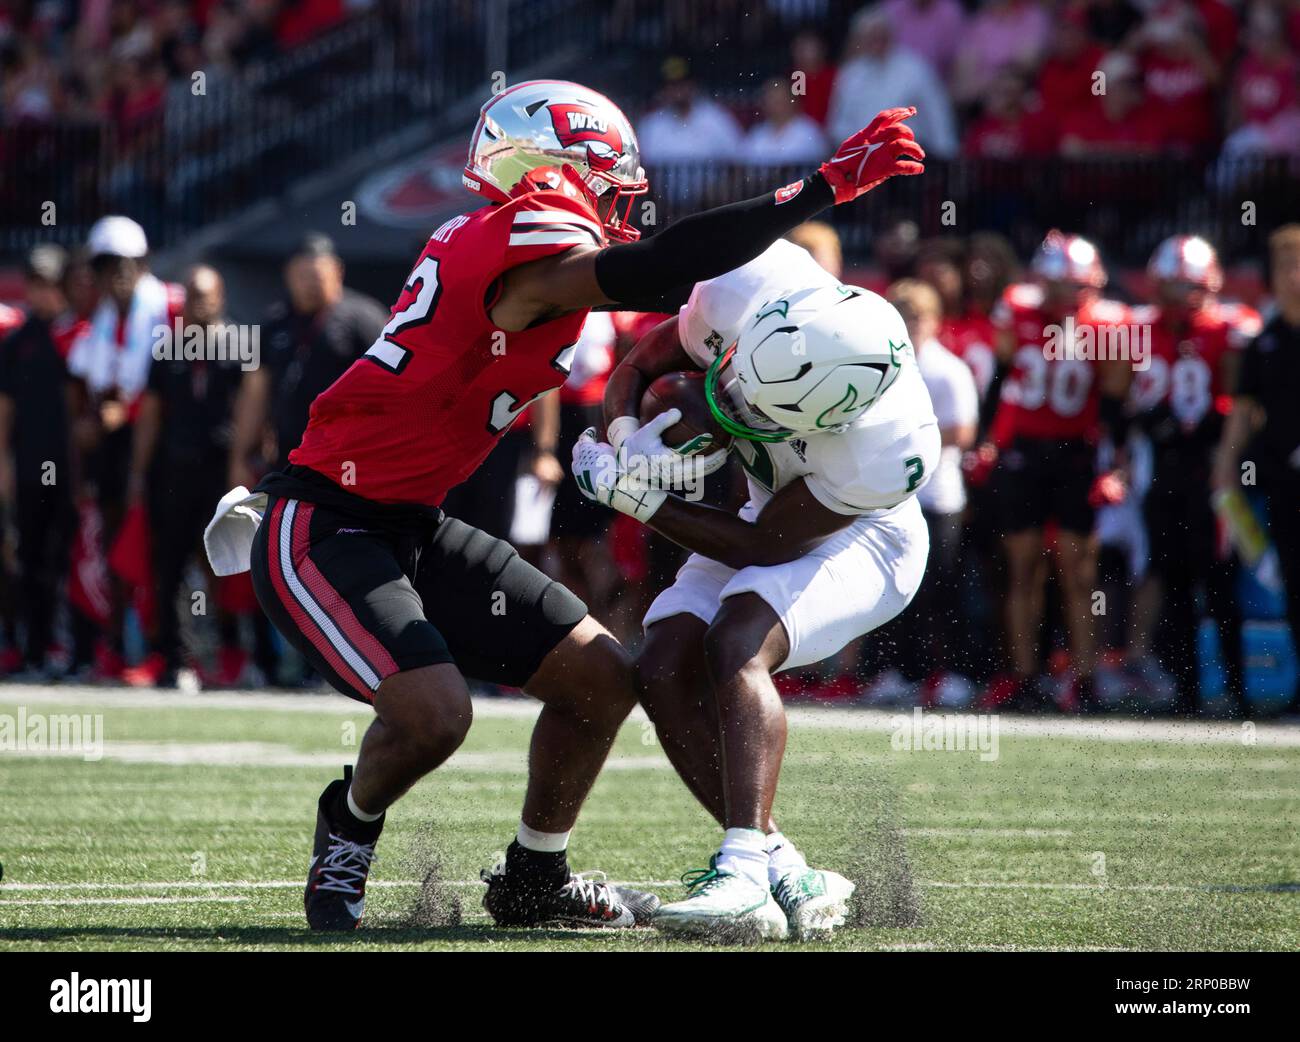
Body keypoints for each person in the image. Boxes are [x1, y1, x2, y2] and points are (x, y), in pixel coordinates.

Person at [202, 82, 926, 931]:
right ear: (547, 169)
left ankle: (534, 875)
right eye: (601, 170)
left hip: (410, 520)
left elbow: (659, 284)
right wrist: (817, 190)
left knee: (602, 677)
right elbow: (661, 268)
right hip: (324, 521)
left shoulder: (506, 244)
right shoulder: (526, 235)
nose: (616, 191)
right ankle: (351, 822)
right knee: (436, 714)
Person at [575, 237, 938, 940]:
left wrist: (634, 497)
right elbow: (642, 361)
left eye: (765, 413)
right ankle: (781, 867)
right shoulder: (742, 282)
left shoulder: (891, 445)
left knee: (737, 639)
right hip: (761, 509)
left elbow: (764, 545)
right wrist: (624, 434)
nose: (733, 404)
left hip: (863, 536)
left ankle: (741, 870)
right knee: (661, 665)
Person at [974, 231, 1132, 711]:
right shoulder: (1017, 310)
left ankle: (1084, 679)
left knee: (1078, 571)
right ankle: (1023, 676)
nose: (1074, 296)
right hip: (1023, 451)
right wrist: (987, 441)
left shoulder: (1107, 324)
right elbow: (999, 382)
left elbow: (1116, 399)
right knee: (1022, 569)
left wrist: (1117, 464)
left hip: (1076, 455)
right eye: (1065, 286)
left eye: (1081, 286)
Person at [1129, 236, 1260, 715]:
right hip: (1163, 472)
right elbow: (1121, 399)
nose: (1184, 296)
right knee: (1173, 581)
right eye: (1175, 285)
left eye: (1192, 285)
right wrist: (1146, 420)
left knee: (1221, 583)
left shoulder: (1233, 328)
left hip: (1214, 471)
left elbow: (1247, 400)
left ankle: (1238, 691)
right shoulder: (1138, 329)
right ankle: (1185, 691)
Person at [67, 215, 184, 680]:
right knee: (118, 545)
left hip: (168, 450)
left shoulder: (171, 307)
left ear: (142, 263)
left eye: (122, 263)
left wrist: (129, 413)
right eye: (104, 264)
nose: (113, 274)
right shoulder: (98, 320)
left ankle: (170, 651)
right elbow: (91, 385)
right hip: (117, 452)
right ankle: (118, 647)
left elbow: (175, 385)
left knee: (165, 551)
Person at [125, 265, 250, 688]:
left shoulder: (239, 344)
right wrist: (139, 474)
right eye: (193, 295)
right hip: (175, 472)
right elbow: (151, 415)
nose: (200, 303)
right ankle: (173, 658)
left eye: (208, 295)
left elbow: (253, 408)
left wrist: (250, 461)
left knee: (227, 563)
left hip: (221, 470)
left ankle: (234, 654)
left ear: (222, 298)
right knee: (170, 564)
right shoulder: (168, 348)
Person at [1215, 224, 1300, 715]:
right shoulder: (1264, 339)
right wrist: (1226, 466)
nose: (1290, 276)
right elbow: (1243, 411)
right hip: (1281, 482)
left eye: (1297, 264)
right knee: (1291, 583)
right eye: (1283, 265)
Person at [227, 234, 387, 491]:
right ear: (288, 275)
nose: (310, 285)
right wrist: (241, 456)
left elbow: (390, 386)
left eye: (318, 276)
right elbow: (255, 392)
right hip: (290, 454)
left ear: (338, 272)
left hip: (347, 456)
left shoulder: (363, 319)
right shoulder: (275, 322)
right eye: (303, 276)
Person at [887, 279, 979, 704]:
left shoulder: (948, 369)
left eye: (916, 315)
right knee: (895, 589)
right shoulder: (884, 364)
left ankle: (951, 673)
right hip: (892, 496)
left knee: (941, 589)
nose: (909, 324)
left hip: (937, 496)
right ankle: (901, 672)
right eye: (901, 313)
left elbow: (962, 431)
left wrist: (904, 437)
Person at [0, 246, 78, 677]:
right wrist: (4, 465)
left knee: (68, 559)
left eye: (50, 283)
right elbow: (5, 409)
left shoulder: (80, 334)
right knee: (29, 559)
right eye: (35, 283)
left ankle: (71, 648)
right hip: (30, 469)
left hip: (73, 472)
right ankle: (32, 648)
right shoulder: (17, 342)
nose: (42, 292)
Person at [827, 8, 958, 158]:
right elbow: (840, 125)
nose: (877, 41)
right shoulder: (851, 74)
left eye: (881, 35)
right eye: (871, 36)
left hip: (905, 156)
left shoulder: (915, 68)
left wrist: (946, 155)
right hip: (863, 160)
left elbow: (937, 116)